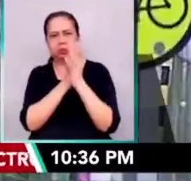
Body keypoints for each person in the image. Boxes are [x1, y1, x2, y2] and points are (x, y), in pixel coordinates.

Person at [19, 11, 120, 140]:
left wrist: (78, 81)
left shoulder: (98, 71)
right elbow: (30, 123)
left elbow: (108, 125)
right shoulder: (39, 74)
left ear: (77, 37)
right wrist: (67, 81)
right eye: (54, 35)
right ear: (47, 42)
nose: (61, 40)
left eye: (67, 33)